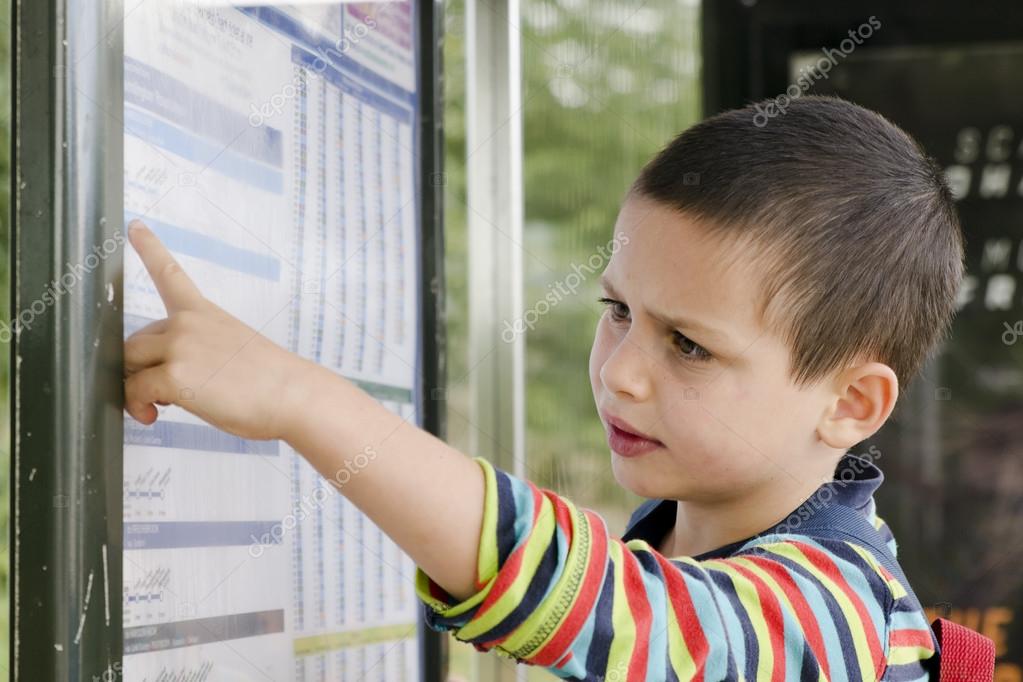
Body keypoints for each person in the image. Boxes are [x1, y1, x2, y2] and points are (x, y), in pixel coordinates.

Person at [124, 95, 961, 680]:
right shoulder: (669, 535)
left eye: (689, 346)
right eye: (617, 311)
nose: (619, 371)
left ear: (849, 403)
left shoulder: (836, 609)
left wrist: (305, 401)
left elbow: (621, 612)